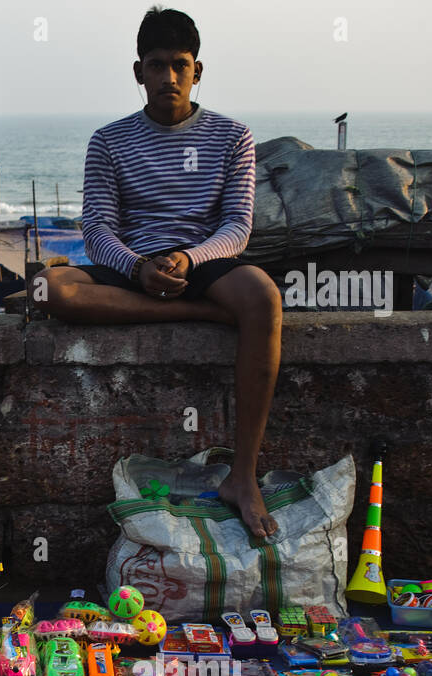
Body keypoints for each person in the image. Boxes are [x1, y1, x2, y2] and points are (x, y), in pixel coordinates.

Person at [32, 6, 282, 538]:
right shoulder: (109, 141)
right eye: (157, 65)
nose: (169, 76)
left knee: (262, 296)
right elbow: (97, 228)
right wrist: (137, 266)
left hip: (204, 261)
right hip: (134, 265)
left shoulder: (233, 136)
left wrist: (190, 259)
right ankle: (206, 314)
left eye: (180, 64)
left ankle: (243, 475)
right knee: (44, 286)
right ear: (138, 71)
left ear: (198, 70)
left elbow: (238, 227)